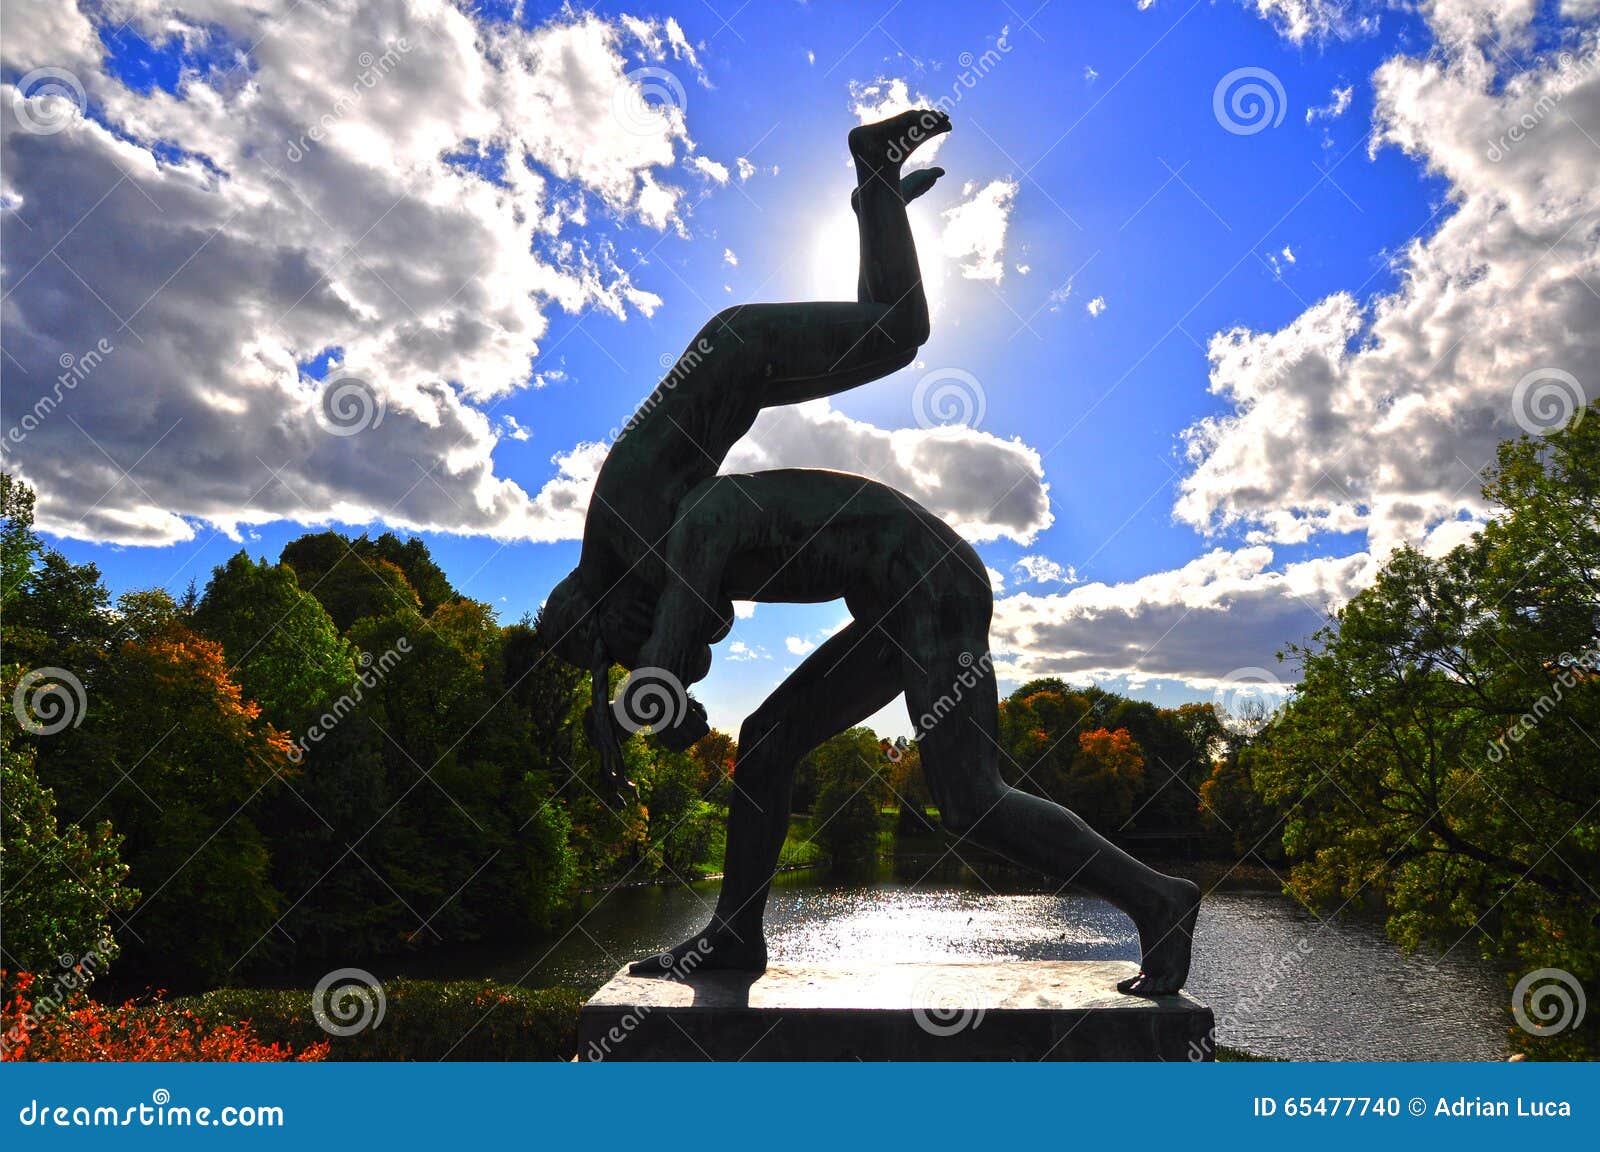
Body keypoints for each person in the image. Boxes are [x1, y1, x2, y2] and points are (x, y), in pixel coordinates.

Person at [623, 469, 1202, 996]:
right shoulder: (693, 532)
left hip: (934, 578)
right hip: (894, 599)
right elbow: (667, 673)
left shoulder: (696, 526)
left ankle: (1159, 900)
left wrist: (654, 696)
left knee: (970, 798)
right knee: (766, 742)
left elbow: (663, 664)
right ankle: (736, 934)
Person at [540, 110, 951, 780]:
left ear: (598, 615)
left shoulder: (628, 542)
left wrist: (638, 703)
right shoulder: (619, 540)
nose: (630, 643)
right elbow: (696, 628)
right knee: (889, 335)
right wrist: (650, 694)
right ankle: (874, 203)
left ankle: (872, 165)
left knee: (901, 330)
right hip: (739, 363)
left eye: (617, 642)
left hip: (742, 354)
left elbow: (697, 627)